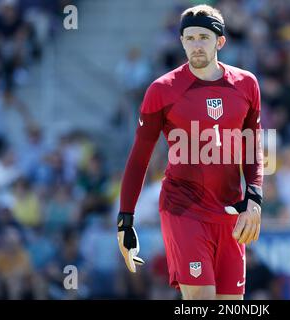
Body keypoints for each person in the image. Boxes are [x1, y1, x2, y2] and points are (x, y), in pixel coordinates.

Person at [117, 4, 263, 300]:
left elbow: (253, 146)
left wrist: (255, 199)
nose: (196, 45)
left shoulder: (247, 84)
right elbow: (139, 156)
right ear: (181, 41)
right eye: (190, 38)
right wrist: (125, 219)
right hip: (183, 209)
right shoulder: (162, 89)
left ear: (219, 41)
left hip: (229, 212)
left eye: (204, 37)